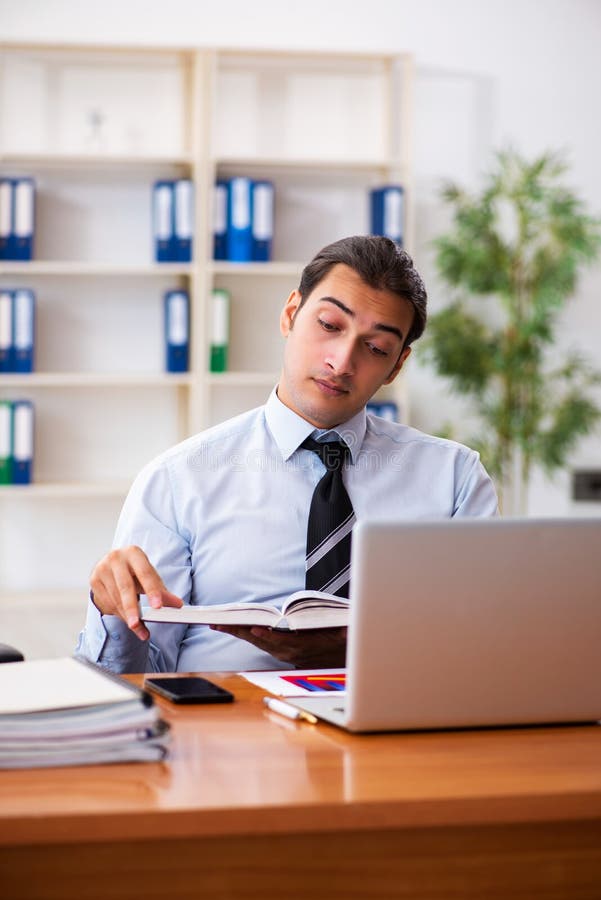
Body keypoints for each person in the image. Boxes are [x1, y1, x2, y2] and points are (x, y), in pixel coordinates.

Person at [76, 235, 498, 673]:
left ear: (396, 366)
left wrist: (363, 655)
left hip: (400, 729)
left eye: (375, 348)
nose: (341, 361)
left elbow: (486, 654)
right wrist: (113, 611)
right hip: (230, 729)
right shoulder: (178, 480)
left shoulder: (455, 481)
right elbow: (139, 680)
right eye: (330, 325)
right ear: (291, 314)